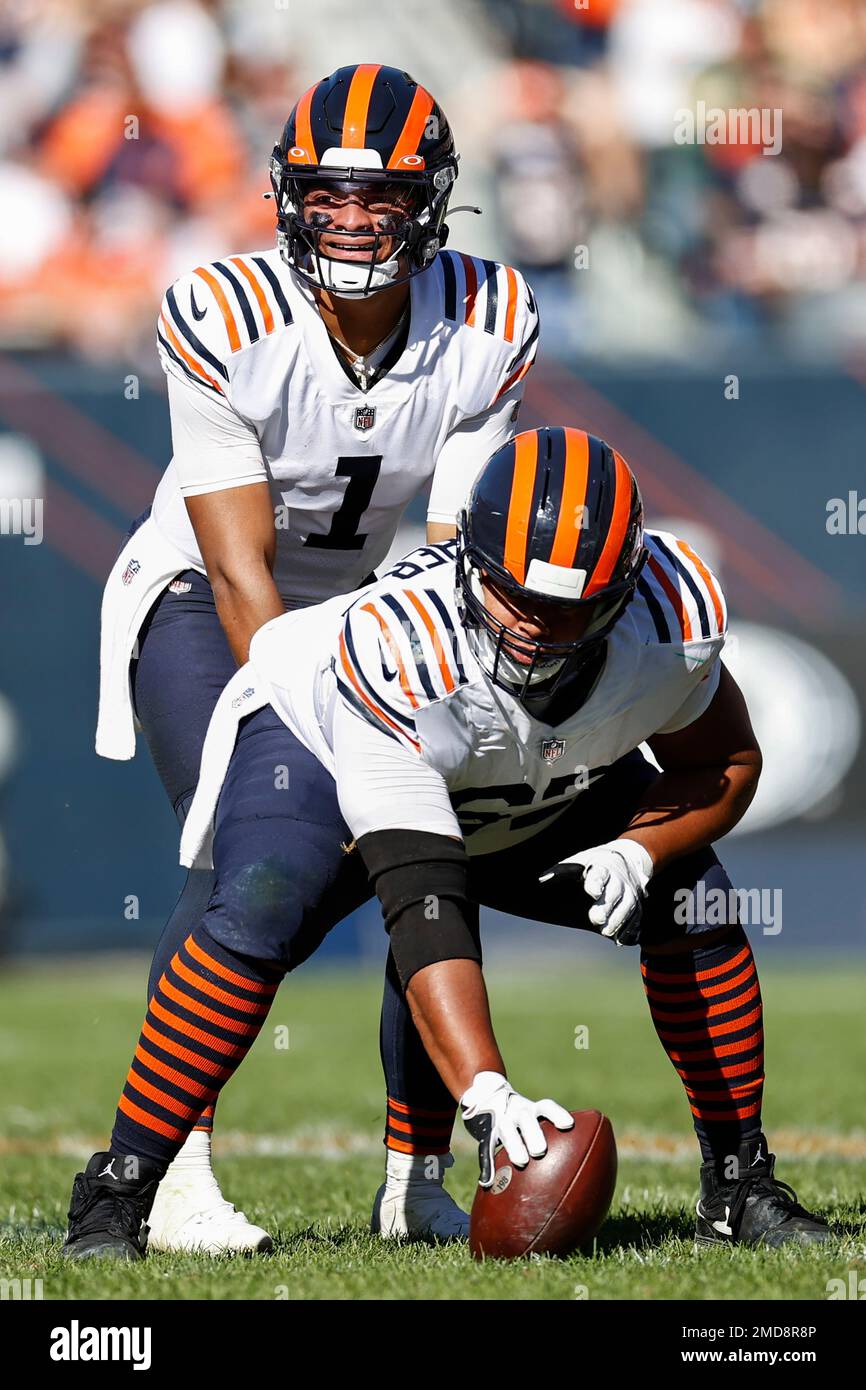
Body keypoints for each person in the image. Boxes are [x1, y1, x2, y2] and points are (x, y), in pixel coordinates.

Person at [64, 426, 831, 1261]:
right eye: (516, 598)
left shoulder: (671, 616)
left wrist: (639, 850)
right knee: (262, 907)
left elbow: (724, 761)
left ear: (624, 591)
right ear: (469, 561)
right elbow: (427, 906)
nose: (537, 628)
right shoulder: (402, 653)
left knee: (696, 896)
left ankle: (740, 1185)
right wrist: (488, 1095)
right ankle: (116, 1193)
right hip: (315, 745)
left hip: (526, 776)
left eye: (570, 608)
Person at [95, 63, 539, 1250]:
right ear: (288, 195)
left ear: (430, 201)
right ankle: (174, 1173)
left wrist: (403, 702)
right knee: (249, 847)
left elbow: (450, 544)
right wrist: (314, 717)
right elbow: (240, 567)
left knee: (423, 848)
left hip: (371, 610)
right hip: (201, 595)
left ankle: (417, 1177)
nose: (352, 218)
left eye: (380, 195)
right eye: (328, 193)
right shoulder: (223, 315)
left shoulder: (486, 320)